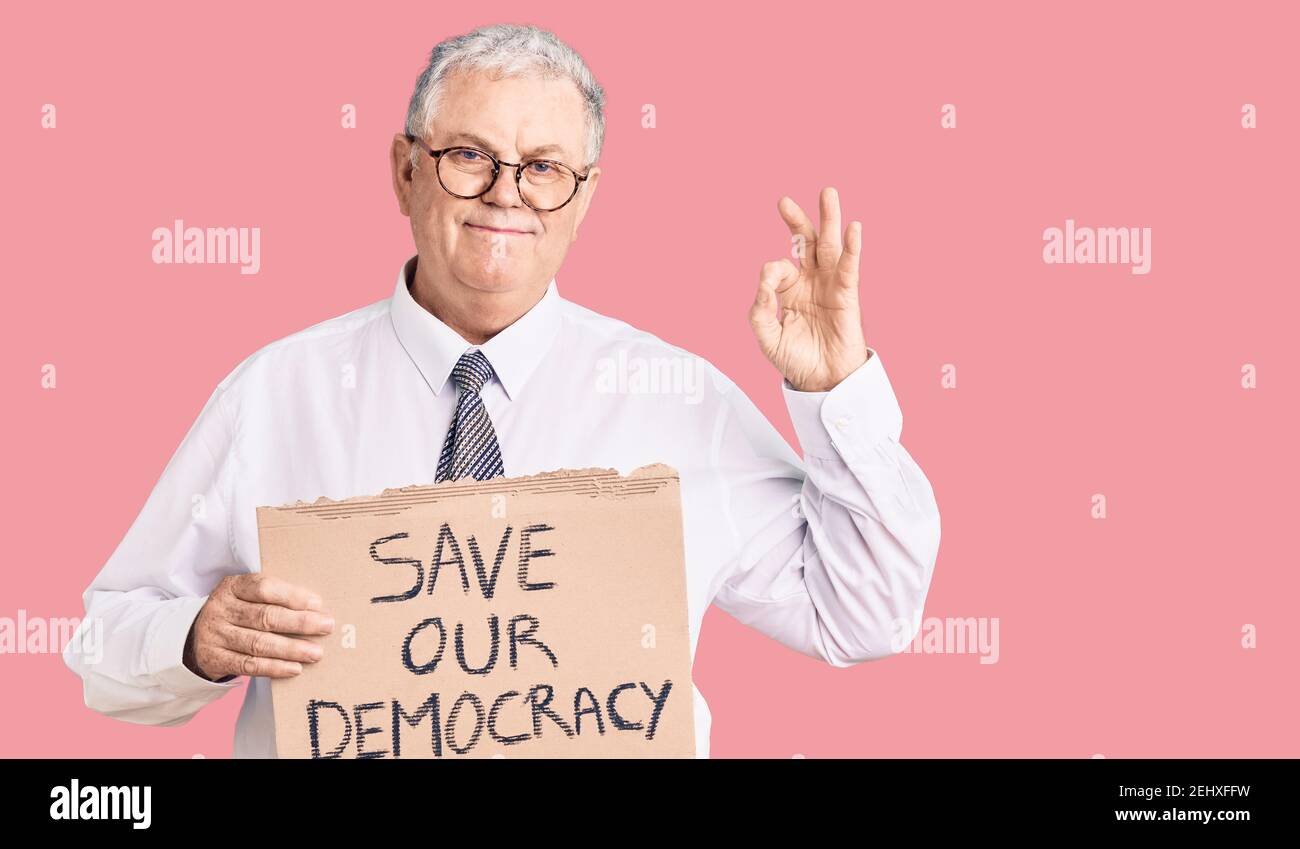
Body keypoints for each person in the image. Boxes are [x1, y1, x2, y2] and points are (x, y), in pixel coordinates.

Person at [63, 23, 940, 758]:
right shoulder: (273, 393)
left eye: (544, 167)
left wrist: (836, 396)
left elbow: (862, 613)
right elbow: (102, 648)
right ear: (405, 170)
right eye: (469, 156)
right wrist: (196, 641)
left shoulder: (677, 398)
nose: (505, 195)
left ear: (584, 197)